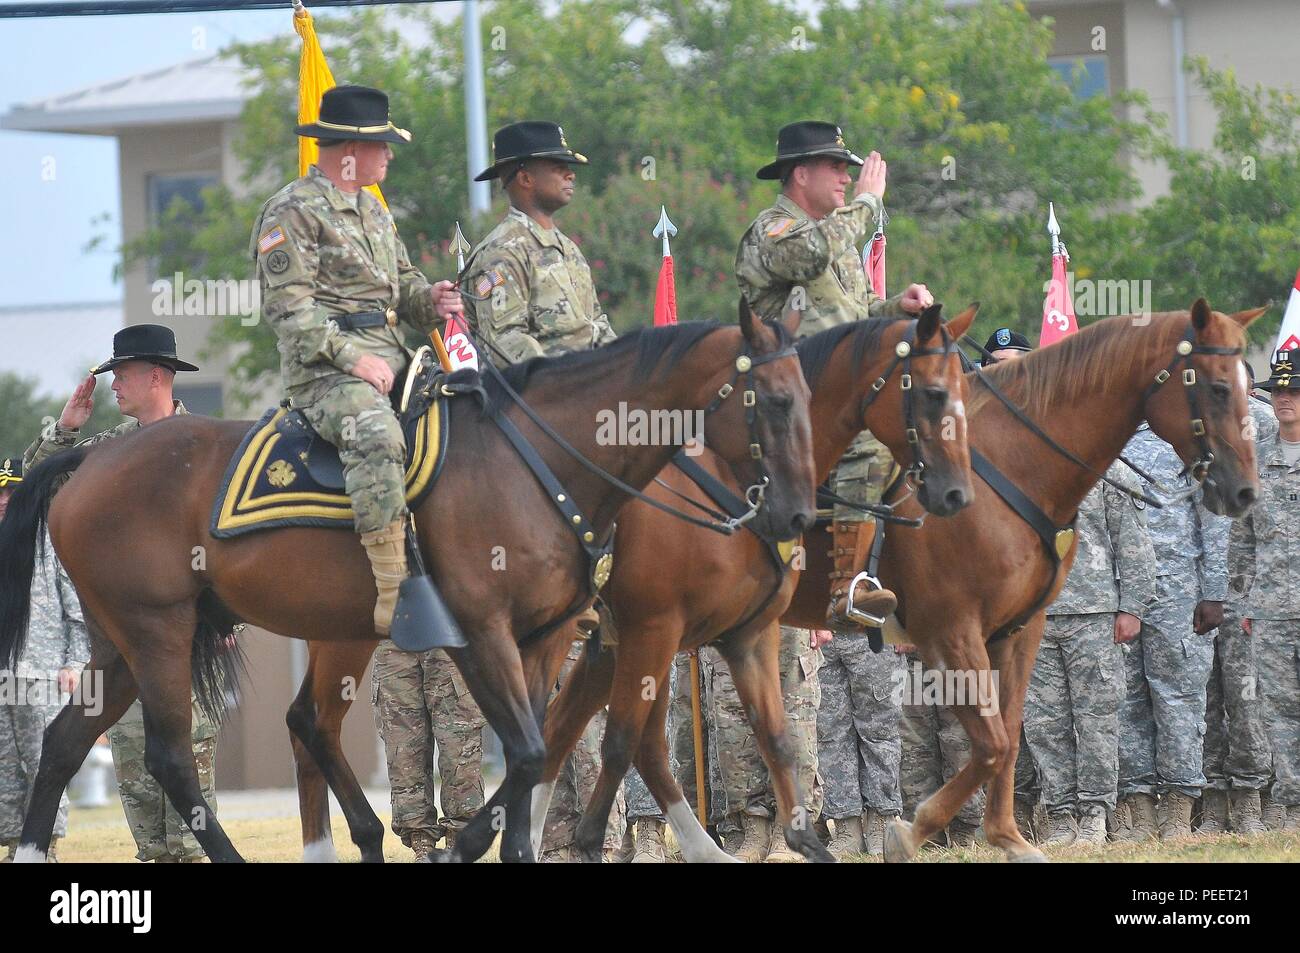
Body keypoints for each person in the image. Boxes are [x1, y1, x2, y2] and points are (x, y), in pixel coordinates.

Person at [724, 120, 932, 861]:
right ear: (797, 173)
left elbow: (851, 325)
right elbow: (815, 256)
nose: (846, 177)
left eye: (851, 171)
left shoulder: (837, 237)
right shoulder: (776, 229)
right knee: (867, 446)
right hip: (785, 407)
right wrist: (870, 206)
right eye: (833, 168)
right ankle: (848, 584)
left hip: (833, 395)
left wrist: (896, 314)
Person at [451, 120, 623, 861]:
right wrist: (580, 390)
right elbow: (503, 345)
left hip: (583, 431)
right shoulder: (501, 252)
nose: (571, 174)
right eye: (559, 165)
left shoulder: (567, 252)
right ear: (524, 177)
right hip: (525, 435)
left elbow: (598, 332)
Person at [249, 84, 444, 637]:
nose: (390, 154)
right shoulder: (291, 211)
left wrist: (435, 299)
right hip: (326, 374)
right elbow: (290, 310)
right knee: (376, 434)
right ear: (350, 152)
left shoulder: (374, 212)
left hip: (395, 356)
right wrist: (353, 360)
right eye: (383, 144)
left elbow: (403, 287)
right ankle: (392, 591)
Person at [24, 324, 220, 862]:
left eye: (122, 374)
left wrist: (232, 621)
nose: (112, 385)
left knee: (188, 789)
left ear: (156, 375)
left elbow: (235, 545)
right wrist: (64, 430)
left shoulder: (207, 448)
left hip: (188, 643)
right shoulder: (112, 452)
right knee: (139, 789)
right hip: (126, 647)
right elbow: (31, 482)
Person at [1022, 460, 1155, 847]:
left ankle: (1095, 814)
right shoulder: (1021, 463)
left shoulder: (1109, 470)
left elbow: (1133, 543)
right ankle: (1062, 816)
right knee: (1044, 723)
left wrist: (1132, 606)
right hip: (1036, 613)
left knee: (1097, 719)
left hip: (1094, 613)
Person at [1117, 415, 1231, 840]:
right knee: (1125, 701)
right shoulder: (1108, 431)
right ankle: (1140, 813)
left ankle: (1179, 813)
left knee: (1179, 698)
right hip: (1120, 590)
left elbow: (1215, 516)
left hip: (1179, 587)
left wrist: (1215, 592)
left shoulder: (1187, 436)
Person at [0, 458, 90, 863]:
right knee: (4, 769)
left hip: (43, 674)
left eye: (12, 492)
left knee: (43, 765)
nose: (5, 501)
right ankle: (11, 847)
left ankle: (43, 848)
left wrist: (75, 665)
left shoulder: (51, 542)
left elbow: (78, 612)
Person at [1201, 362, 1275, 834]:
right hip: (1193, 590)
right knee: (1202, 703)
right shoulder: (1192, 430)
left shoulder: (1267, 430)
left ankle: (1257, 798)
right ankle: (1210, 801)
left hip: (1257, 594)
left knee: (1253, 701)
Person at [1228, 350, 1300, 832]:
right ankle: (1293, 804)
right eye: (1279, 392)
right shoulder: (1258, 457)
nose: (1286, 400)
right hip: (1272, 608)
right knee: (1279, 709)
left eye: (1295, 392)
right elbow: (1243, 540)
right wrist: (1244, 601)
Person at [369, 645, 486, 859]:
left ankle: (458, 842)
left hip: (448, 636)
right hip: (394, 637)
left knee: (458, 747)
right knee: (402, 751)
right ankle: (420, 842)